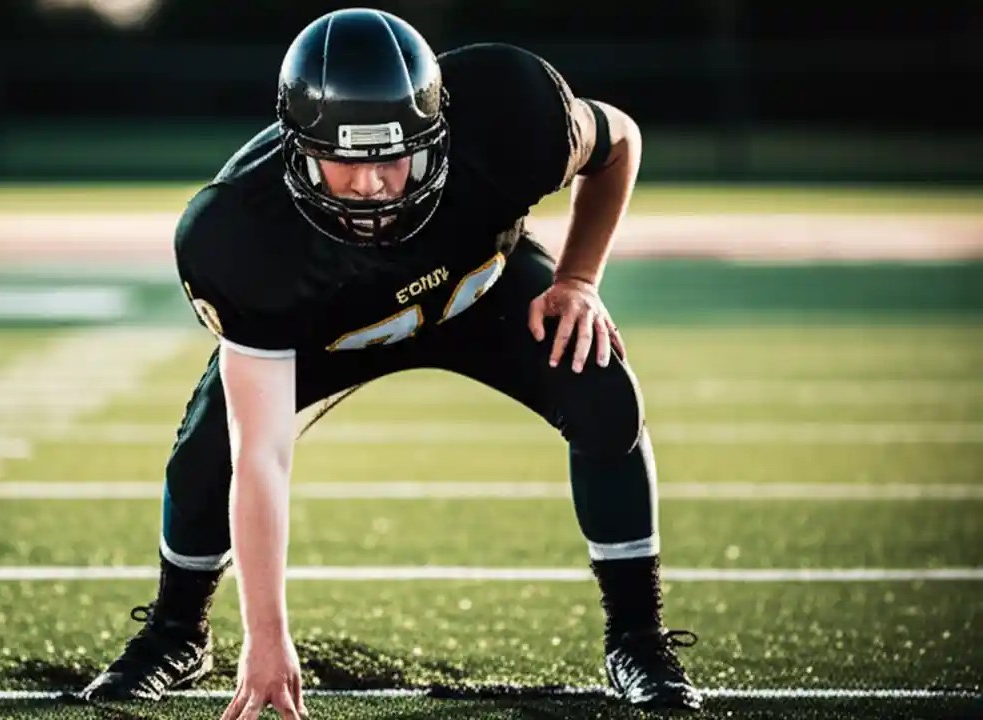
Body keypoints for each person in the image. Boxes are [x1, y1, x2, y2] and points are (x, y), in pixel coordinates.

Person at [79, 7, 701, 716]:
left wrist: (579, 280)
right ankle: (176, 632)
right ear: (297, 150)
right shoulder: (240, 235)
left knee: (601, 392)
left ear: (440, 130)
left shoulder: (511, 109)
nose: (372, 186)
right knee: (211, 452)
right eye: (347, 161)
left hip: (481, 292)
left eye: (391, 158)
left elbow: (619, 140)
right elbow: (264, 457)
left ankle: (638, 638)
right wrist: (267, 633)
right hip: (329, 332)